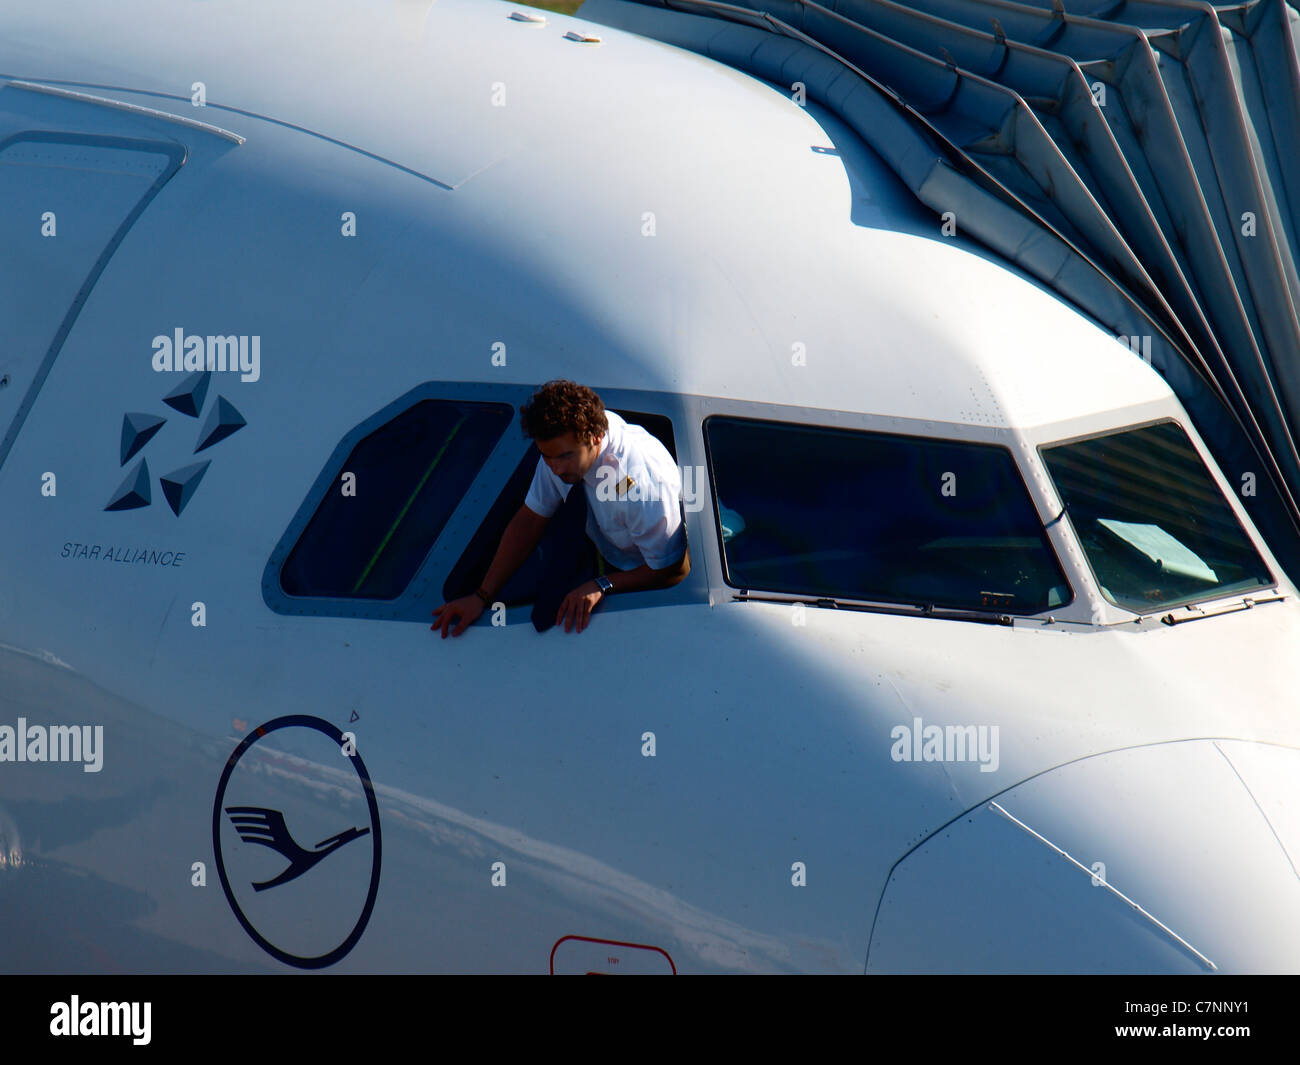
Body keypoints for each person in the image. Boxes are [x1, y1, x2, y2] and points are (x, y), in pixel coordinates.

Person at [432, 380, 690, 637]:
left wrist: (602, 585)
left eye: (565, 457)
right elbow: (531, 519)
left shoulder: (639, 486)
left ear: (596, 436)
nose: (554, 469)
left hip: (644, 570)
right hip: (603, 546)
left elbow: (674, 569)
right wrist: (481, 596)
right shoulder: (563, 449)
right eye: (546, 456)